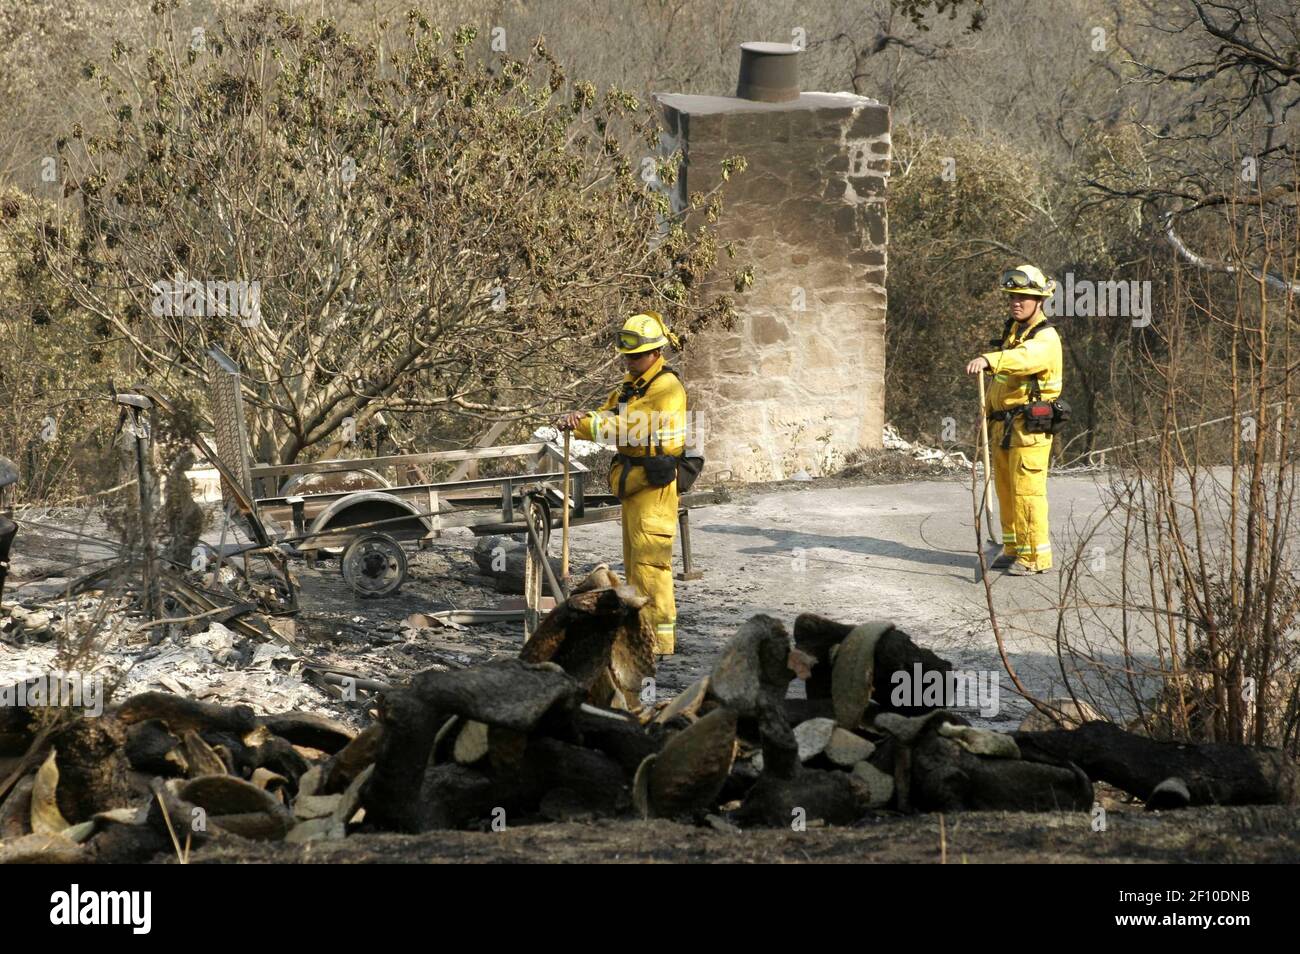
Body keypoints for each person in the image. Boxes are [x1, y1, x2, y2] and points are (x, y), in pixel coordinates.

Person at [557, 311, 688, 654]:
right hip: (635, 484)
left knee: (651, 566)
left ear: (656, 353)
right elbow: (608, 412)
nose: (629, 362)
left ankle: (658, 641)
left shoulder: (666, 388)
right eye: (627, 357)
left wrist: (585, 425)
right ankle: (637, 631)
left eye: (636, 356)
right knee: (634, 566)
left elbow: (625, 426)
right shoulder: (634, 384)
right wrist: (579, 418)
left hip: (655, 485)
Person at [965, 265, 1063, 575]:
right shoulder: (1014, 331)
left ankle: (1036, 558)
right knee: (1006, 490)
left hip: (1028, 431)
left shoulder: (1045, 337)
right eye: (1012, 297)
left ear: (1039, 300)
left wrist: (989, 360)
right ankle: (1014, 548)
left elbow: (1024, 360)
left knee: (1027, 493)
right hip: (1004, 428)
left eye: (1023, 297)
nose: (1016, 302)